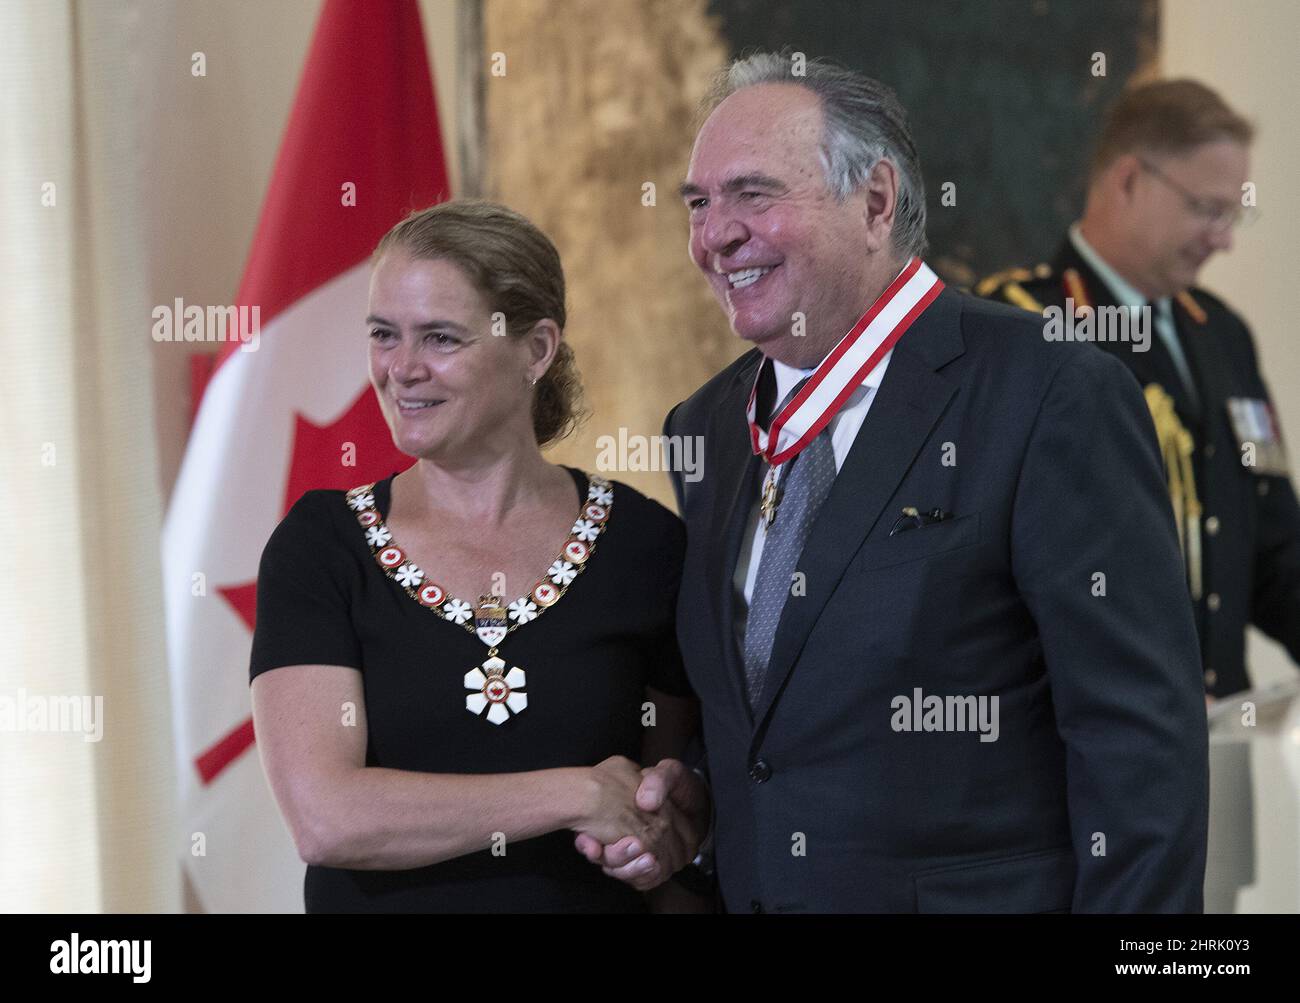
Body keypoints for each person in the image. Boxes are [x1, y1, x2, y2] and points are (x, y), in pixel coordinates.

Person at [579, 53, 1208, 912]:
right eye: (699, 203)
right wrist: (685, 804)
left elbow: (1140, 750)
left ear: (875, 201)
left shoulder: (1048, 390)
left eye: (753, 194)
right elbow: (775, 721)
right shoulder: (706, 427)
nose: (714, 235)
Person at [249, 199, 702, 913]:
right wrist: (575, 792)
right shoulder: (321, 547)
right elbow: (326, 817)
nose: (402, 368)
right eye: (383, 334)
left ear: (536, 349)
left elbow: (662, 795)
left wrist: (665, 831)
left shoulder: (648, 545)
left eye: (440, 337)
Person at [979, 79, 1300, 701]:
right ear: (1128, 181)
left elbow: (1274, 549)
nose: (1224, 238)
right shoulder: (1021, 325)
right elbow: (994, 571)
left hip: (1222, 739)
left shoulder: (1222, 335)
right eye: (1208, 210)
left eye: (1233, 215)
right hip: (1087, 744)